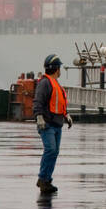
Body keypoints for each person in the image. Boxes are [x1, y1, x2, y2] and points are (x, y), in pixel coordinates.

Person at [33, 54, 72, 196]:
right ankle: (43, 179)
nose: (60, 70)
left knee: (54, 152)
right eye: (59, 67)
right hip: (47, 124)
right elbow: (38, 101)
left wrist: (66, 115)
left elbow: (60, 104)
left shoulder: (56, 84)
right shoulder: (45, 83)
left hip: (57, 124)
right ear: (56, 68)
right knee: (50, 150)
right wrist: (38, 117)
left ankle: (46, 181)